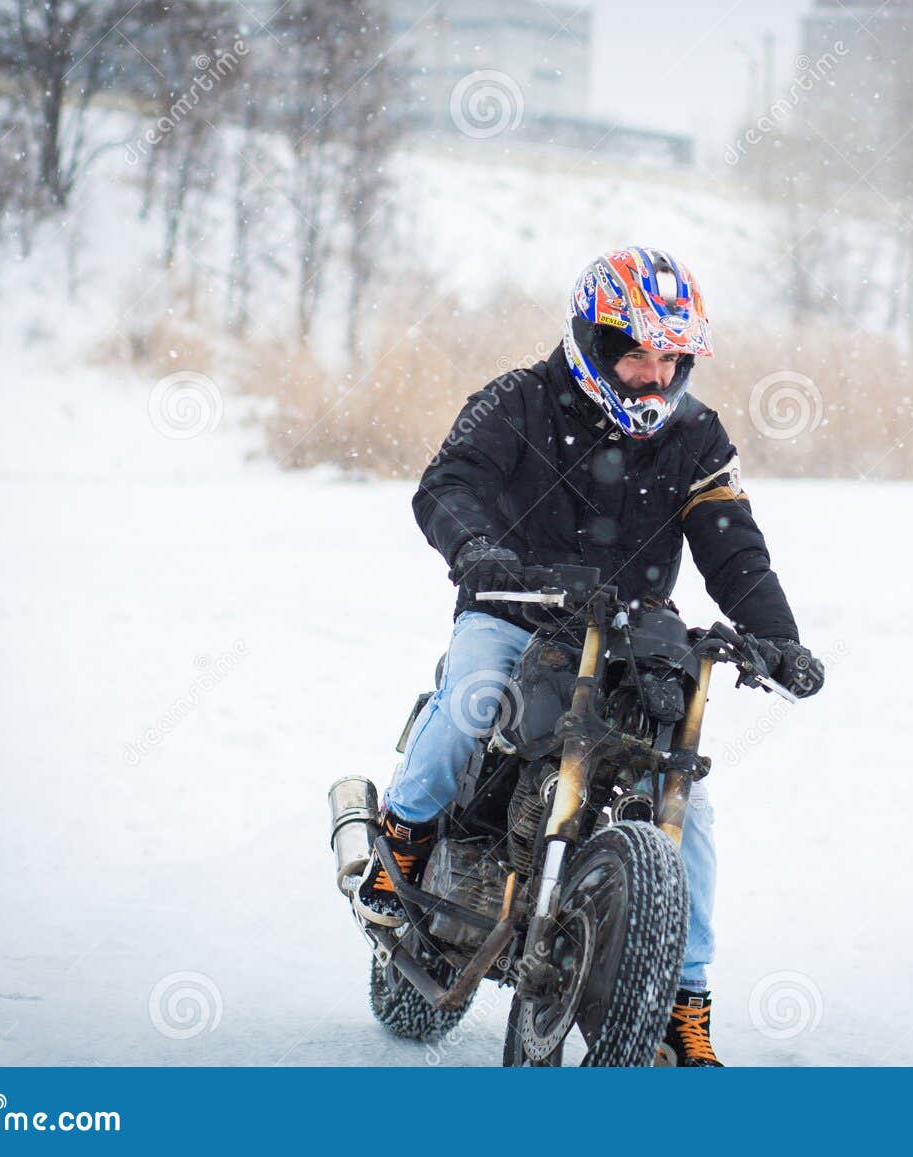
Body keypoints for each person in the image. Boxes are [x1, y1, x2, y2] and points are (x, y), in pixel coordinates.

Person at [364, 246, 824, 1066]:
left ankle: (684, 1002)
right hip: (516, 610)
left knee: (684, 797)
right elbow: (447, 484)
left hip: (632, 636)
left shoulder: (696, 435)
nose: (656, 375)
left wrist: (779, 639)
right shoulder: (518, 400)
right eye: (639, 354)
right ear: (593, 340)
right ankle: (401, 839)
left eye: (672, 358)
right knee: (475, 694)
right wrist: (477, 549)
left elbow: (735, 550)